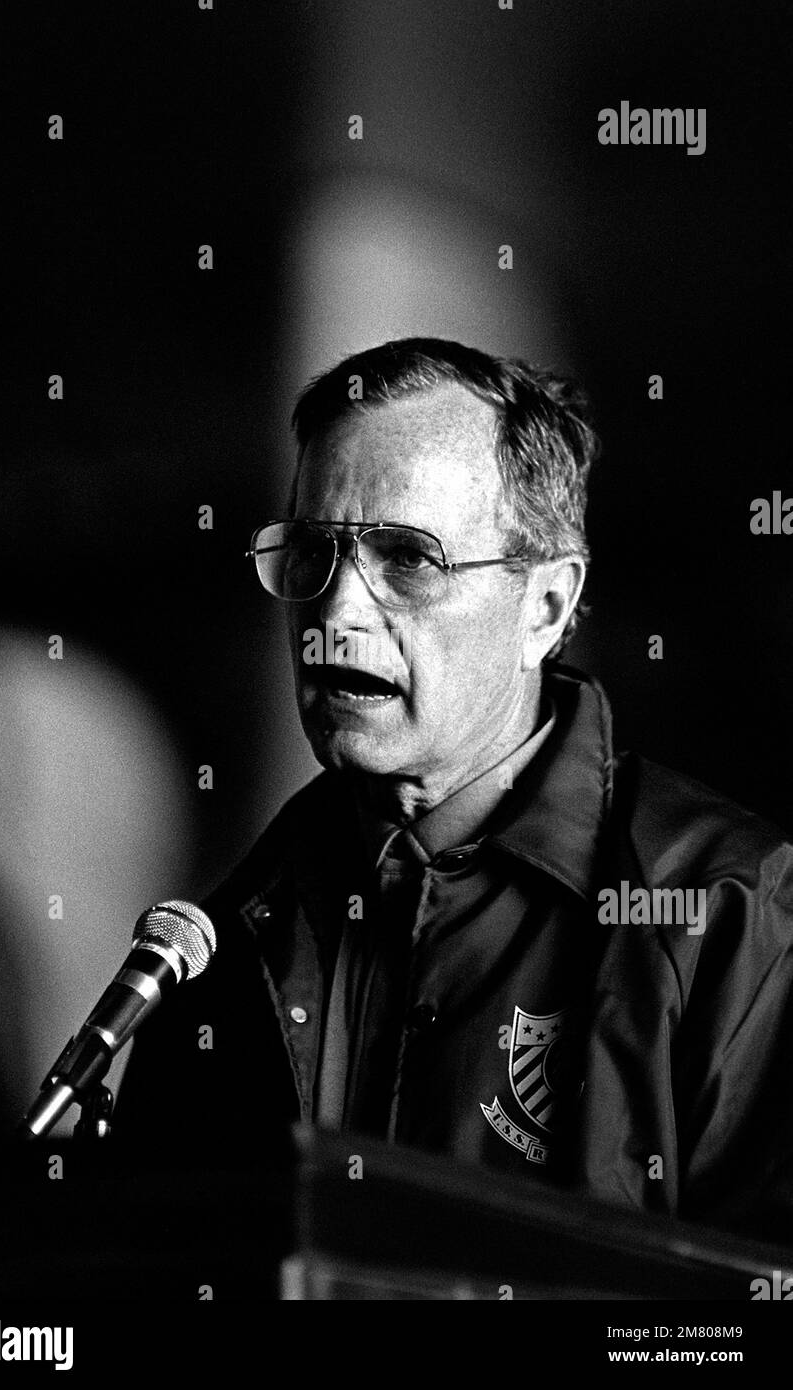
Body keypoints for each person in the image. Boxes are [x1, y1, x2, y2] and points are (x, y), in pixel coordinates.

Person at [116, 337, 793, 1241]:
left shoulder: (730, 915)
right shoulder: (222, 940)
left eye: (407, 559)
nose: (337, 612)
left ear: (545, 608)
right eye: (311, 553)